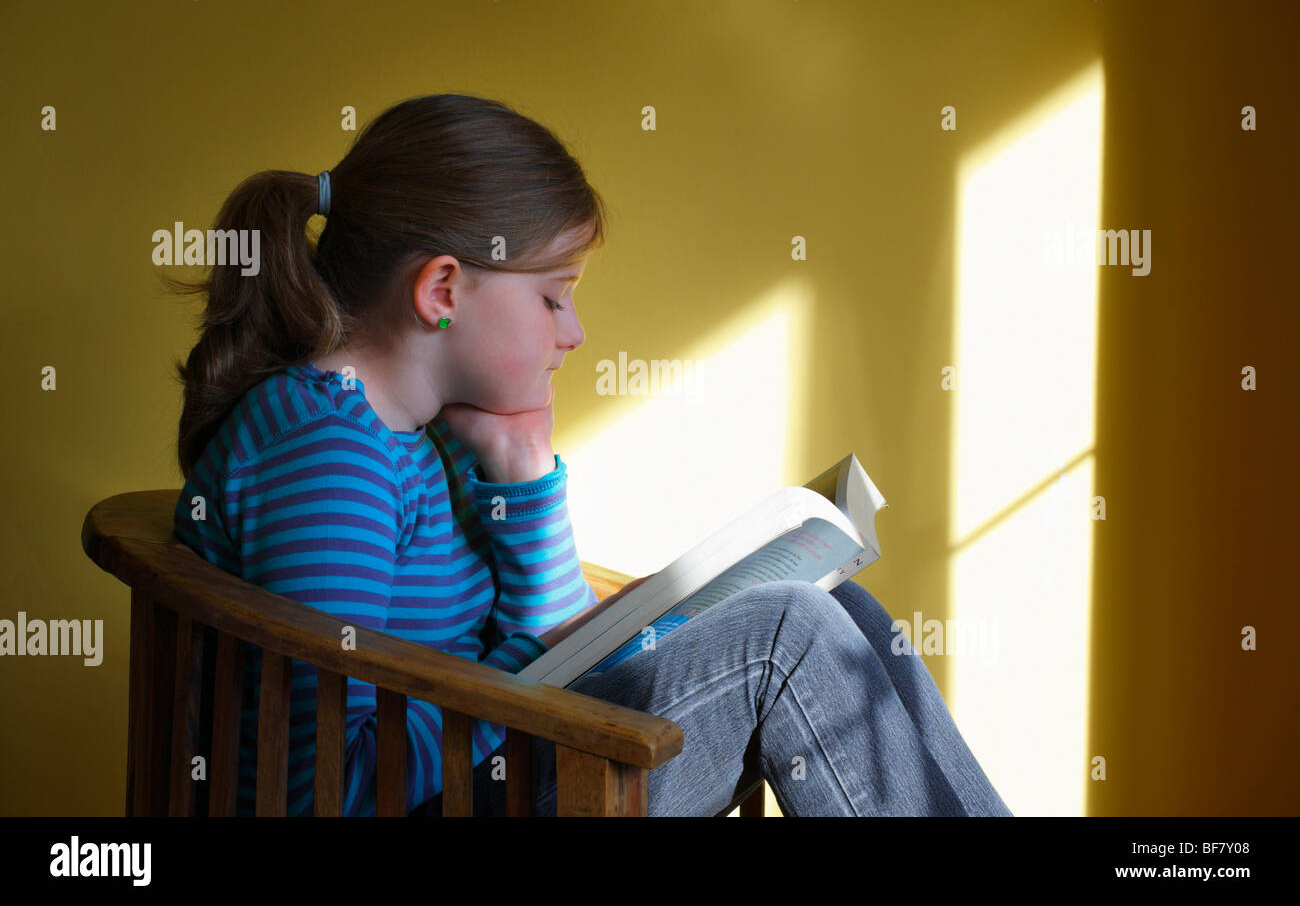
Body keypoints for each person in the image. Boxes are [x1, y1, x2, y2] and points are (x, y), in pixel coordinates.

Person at [167, 92, 1012, 817]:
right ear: (443, 290)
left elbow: (556, 634)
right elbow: (324, 790)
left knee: (847, 615)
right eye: (553, 297)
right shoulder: (329, 456)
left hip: (494, 767)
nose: (574, 335)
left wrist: (525, 473)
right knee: (784, 634)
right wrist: (524, 682)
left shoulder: (436, 437)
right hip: (450, 793)